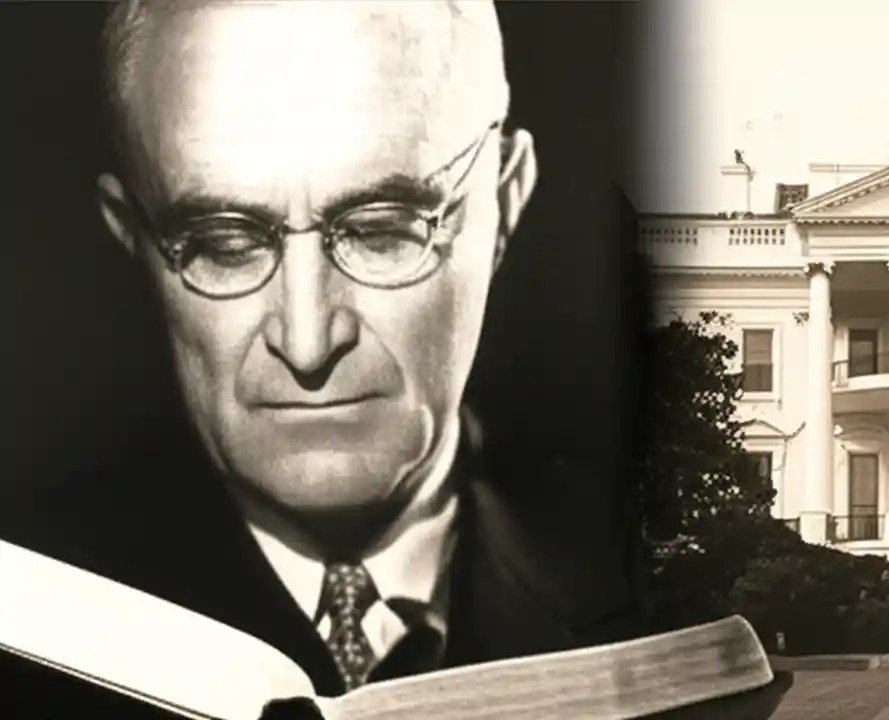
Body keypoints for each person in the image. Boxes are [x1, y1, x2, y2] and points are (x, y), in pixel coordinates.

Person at [0, 0, 649, 698]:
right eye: (224, 245)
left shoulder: (656, 585)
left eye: (382, 231)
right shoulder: (28, 618)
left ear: (505, 198)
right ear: (131, 233)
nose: (307, 344)